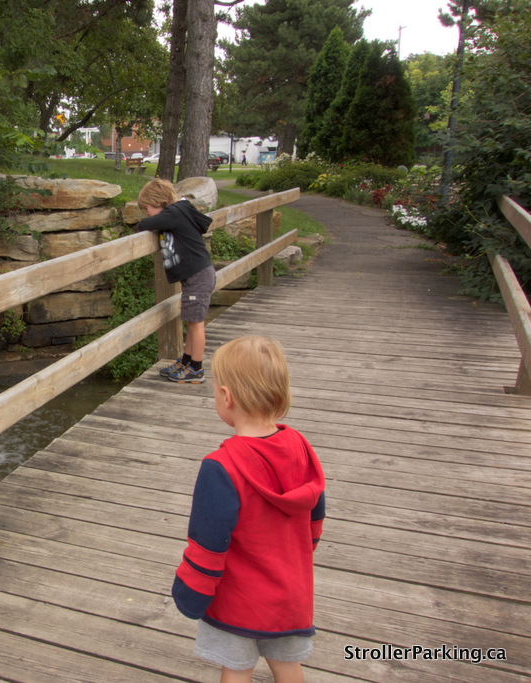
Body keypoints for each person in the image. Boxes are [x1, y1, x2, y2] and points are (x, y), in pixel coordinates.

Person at [172, 336, 326, 683]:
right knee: (288, 668)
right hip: (290, 595)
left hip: (238, 601)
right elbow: (314, 517)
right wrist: (301, 552)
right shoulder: (301, 448)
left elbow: (208, 544)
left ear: (226, 397)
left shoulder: (221, 467)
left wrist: (190, 592)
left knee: (236, 670)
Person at [136, 179, 216, 383]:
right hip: (197, 275)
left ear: (158, 202)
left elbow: (146, 224)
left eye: (147, 208)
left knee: (197, 323)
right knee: (192, 320)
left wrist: (144, 222)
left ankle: (196, 370)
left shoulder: (174, 213)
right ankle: (186, 361)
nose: (147, 213)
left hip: (198, 275)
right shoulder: (179, 211)